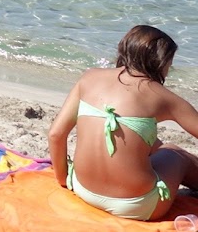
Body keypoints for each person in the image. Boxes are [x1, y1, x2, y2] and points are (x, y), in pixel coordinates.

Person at [47, 25, 198, 221]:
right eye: (170, 63)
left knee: (152, 142)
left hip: (82, 189)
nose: (169, 70)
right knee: (175, 154)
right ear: (161, 62)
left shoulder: (89, 78)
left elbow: (56, 135)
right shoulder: (162, 97)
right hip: (137, 205)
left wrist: (62, 179)